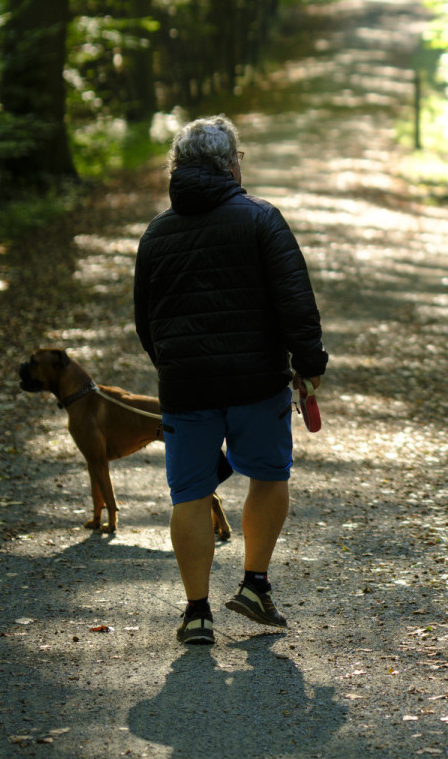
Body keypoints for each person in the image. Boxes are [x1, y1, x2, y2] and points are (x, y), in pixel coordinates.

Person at [134, 115, 328, 645]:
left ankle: (196, 613)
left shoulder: (156, 233)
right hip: (255, 384)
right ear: (230, 163)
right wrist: (309, 364)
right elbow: (296, 301)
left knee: (190, 493)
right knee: (269, 475)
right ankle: (254, 585)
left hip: (185, 389)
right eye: (241, 156)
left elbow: (144, 322)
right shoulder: (261, 219)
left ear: (179, 168)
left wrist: (173, 364)